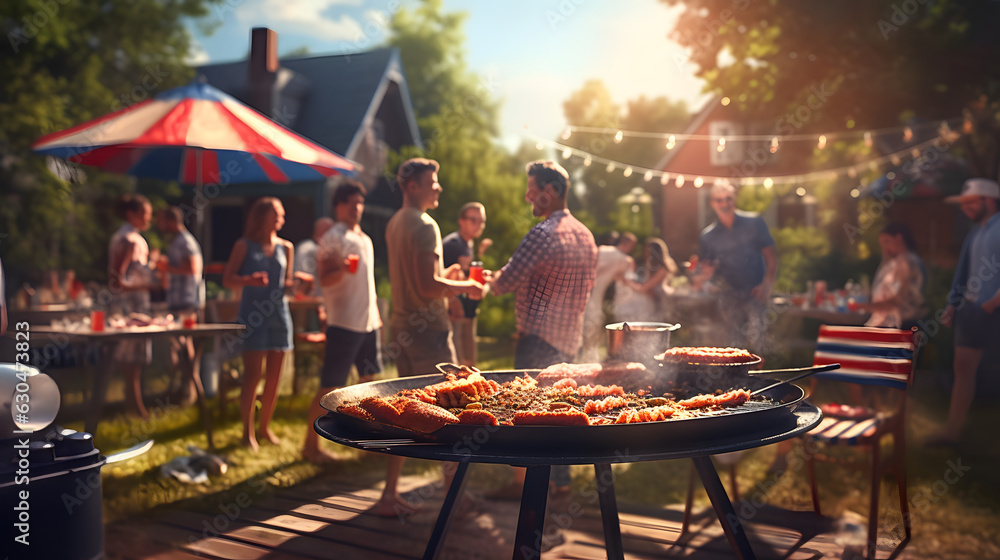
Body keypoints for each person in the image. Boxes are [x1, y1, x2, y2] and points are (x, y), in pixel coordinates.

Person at [489, 160, 598, 498]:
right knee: (563, 407)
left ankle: (524, 486)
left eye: (533, 189)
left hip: (538, 340)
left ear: (551, 192)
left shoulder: (542, 234)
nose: (527, 196)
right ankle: (560, 481)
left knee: (527, 411)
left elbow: (505, 282)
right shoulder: (586, 236)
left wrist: (485, 280)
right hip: (569, 341)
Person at [384, 158, 485, 514]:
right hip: (428, 333)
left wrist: (449, 276)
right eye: (433, 181)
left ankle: (388, 494)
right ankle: (454, 495)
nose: (438, 187)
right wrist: (466, 286)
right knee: (451, 412)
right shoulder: (425, 224)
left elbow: (419, 278)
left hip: (400, 327)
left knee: (404, 411)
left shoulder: (396, 222)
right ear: (413, 186)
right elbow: (428, 286)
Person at [303, 181, 384, 464]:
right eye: (350, 202)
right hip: (343, 323)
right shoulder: (333, 237)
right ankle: (310, 446)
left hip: (369, 323)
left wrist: (376, 316)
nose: (356, 207)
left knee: (369, 384)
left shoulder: (365, 239)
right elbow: (323, 279)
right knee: (331, 387)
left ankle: (366, 441)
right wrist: (341, 268)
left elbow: (367, 284)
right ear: (338, 205)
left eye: (360, 202)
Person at [222, 197, 295, 452]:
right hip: (252, 316)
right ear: (262, 215)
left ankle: (265, 428)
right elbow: (228, 279)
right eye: (276, 212)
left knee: (274, 378)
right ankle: (247, 432)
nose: (281, 217)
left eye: (282, 213)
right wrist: (248, 280)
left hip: (280, 315)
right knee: (253, 376)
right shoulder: (244, 245)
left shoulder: (286, 247)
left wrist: (298, 284)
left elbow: (285, 284)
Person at [932, 178, 1000, 446]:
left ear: (989, 201)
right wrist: (952, 303)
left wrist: (994, 302)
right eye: (964, 204)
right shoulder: (974, 234)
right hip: (969, 312)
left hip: (993, 312)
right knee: (963, 369)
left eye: (971, 202)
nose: (966, 208)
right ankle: (953, 431)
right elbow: (963, 272)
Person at [694, 180, 777, 351]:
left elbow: (770, 256)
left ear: (734, 199)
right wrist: (704, 276)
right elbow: (706, 268)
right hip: (728, 296)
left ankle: (759, 376)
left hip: (756, 292)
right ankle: (736, 378)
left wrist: (767, 285)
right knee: (731, 346)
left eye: (728, 198)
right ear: (712, 203)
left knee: (757, 344)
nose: (724, 203)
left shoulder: (754, 223)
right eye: (719, 200)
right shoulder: (708, 235)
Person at [108, 194, 157, 418]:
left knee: (134, 355)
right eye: (144, 215)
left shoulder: (131, 237)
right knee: (131, 354)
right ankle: (135, 406)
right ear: (132, 214)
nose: (149, 219)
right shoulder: (128, 240)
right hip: (131, 303)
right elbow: (117, 279)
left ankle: (133, 404)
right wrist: (148, 283)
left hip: (134, 300)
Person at [155, 206, 205, 405]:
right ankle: (182, 389)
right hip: (178, 300)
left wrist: (167, 267)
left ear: (171, 220)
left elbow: (192, 269)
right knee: (177, 345)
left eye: (161, 220)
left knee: (185, 344)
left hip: (187, 301)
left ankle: (191, 389)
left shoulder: (186, 241)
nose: (159, 225)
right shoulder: (176, 241)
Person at [442, 202, 490, 366]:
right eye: (473, 220)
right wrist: (452, 303)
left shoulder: (467, 244)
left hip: (467, 312)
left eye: (481, 221)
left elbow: (466, 275)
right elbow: (441, 278)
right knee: (459, 365)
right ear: (461, 221)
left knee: (469, 362)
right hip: (455, 314)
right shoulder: (452, 244)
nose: (479, 225)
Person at [582, 232, 636, 361]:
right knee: (592, 325)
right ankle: (588, 357)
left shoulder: (603, 249)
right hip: (596, 295)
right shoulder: (625, 260)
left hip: (582, 289)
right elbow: (626, 282)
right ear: (629, 244)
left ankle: (581, 356)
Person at [861, 223, 925, 329]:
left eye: (887, 241)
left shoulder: (907, 262)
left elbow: (898, 300)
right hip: (886, 322)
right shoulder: (894, 262)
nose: (885, 247)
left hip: (902, 324)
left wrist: (863, 307)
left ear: (899, 238)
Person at [616, 237, 679, 323]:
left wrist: (627, 282)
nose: (645, 254)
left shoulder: (662, 270)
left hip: (661, 300)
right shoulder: (651, 266)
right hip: (652, 298)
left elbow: (644, 288)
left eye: (648, 251)